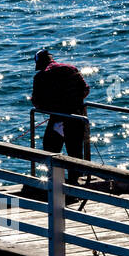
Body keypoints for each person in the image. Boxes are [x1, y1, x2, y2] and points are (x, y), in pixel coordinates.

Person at [31, 49, 90, 183]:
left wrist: (50, 107)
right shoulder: (71, 68)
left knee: (50, 150)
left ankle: (56, 184)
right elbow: (86, 89)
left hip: (57, 119)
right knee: (75, 154)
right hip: (76, 118)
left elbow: (37, 102)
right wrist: (73, 103)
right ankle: (75, 186)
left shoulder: (40, 77)